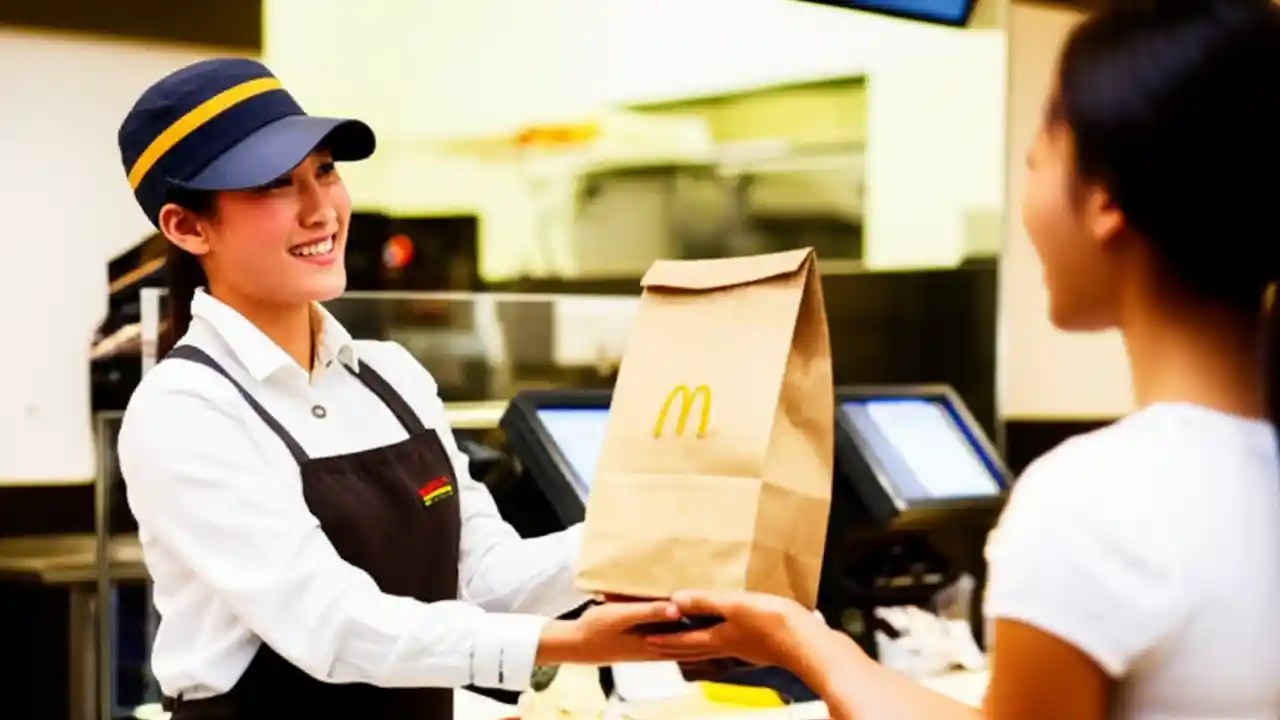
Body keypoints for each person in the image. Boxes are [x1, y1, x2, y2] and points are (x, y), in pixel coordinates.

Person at [646, 0, 1280, 718]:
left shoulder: (1094, 505)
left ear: (1104, 203)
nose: (1027, 205)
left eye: (1038, 162)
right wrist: (805, 643)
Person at [114, 58, 680, 719]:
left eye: (324, 171)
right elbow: (330, 626)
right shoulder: (184, 410)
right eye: (274, 185)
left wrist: (644, 529)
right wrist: (570, 643)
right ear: (187, 227)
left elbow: (481, 581)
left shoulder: (391, 376)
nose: (321, 209)